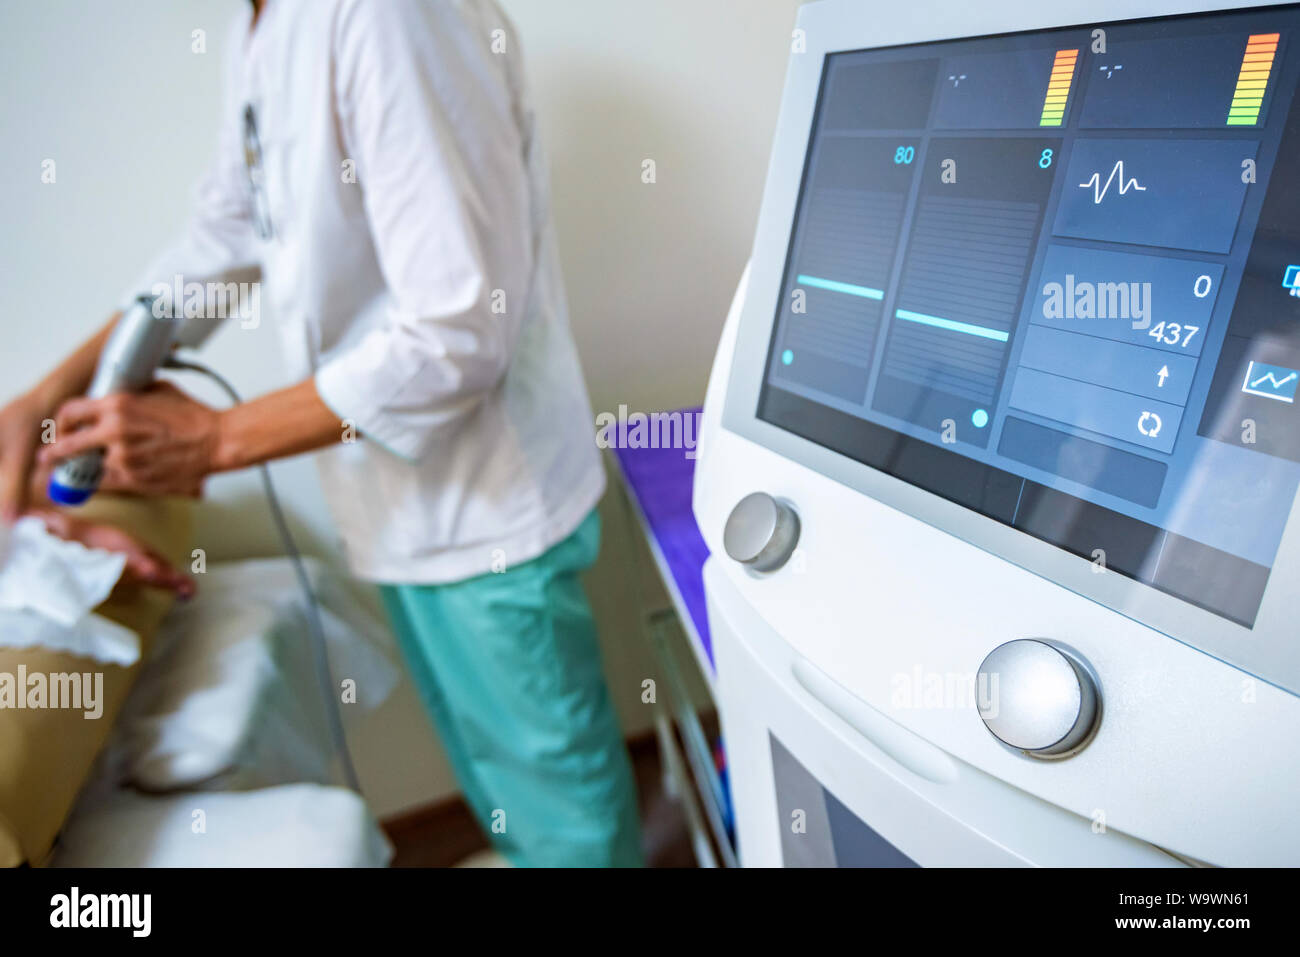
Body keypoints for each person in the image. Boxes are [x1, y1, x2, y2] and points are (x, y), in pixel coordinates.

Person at [0, 0, 642, 867]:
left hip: (485, 501)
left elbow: (456, 328)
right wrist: (54, 390)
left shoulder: (390, 14)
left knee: (561, 818)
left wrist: (214, 441)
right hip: (396, 493)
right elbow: (224, 232)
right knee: (503, 786)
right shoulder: (262, 25)